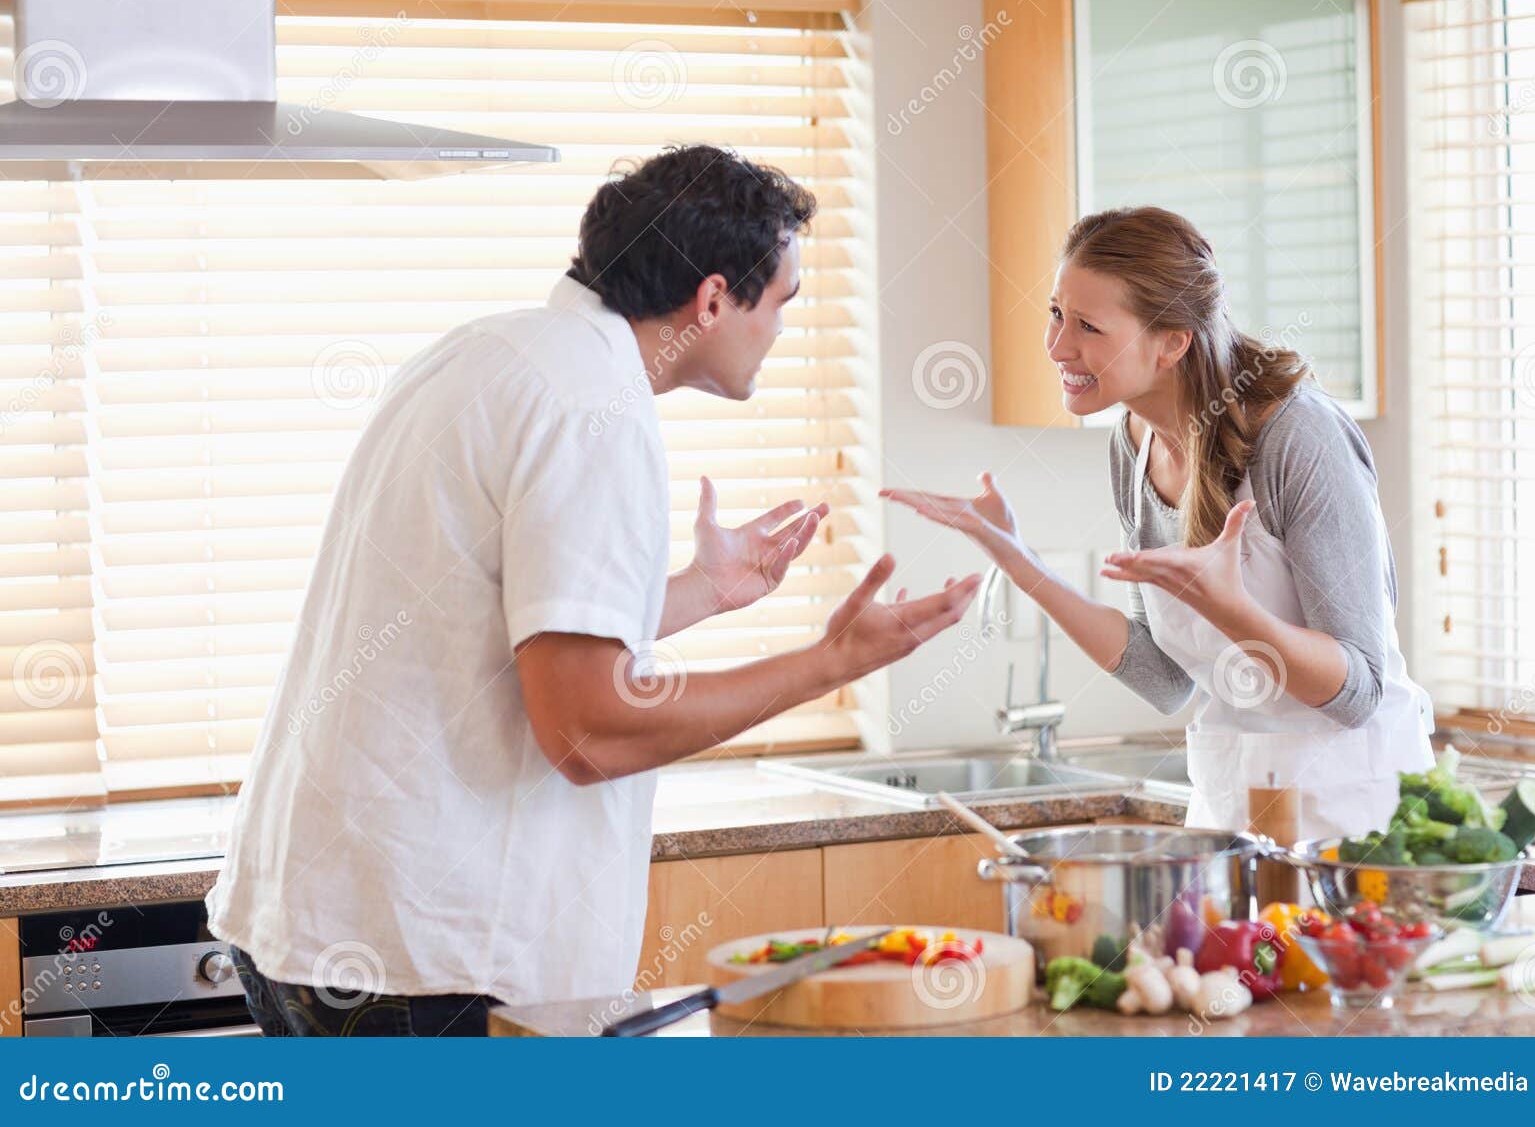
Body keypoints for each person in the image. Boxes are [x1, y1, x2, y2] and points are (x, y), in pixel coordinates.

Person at [207, 145, 979, 1036]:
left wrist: (700, 590)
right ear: (713, 299)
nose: (782, 329)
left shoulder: (488, 354)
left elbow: (496, 625)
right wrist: (829, 663)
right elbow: (588, 729)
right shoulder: (594, 408)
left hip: (312, 931)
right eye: (782, 302)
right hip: (428, 961)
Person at [882, 206, 1432, 841]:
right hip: (1233, 809)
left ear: (1172, 342)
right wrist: (1019, 561)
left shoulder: (1298, 436)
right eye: (1056, 313)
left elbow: (1357, 691)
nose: (1058, 346)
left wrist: (1233, 611)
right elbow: (1166, 680)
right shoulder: (1133, 442)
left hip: (1355, 819)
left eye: (1089, 326)